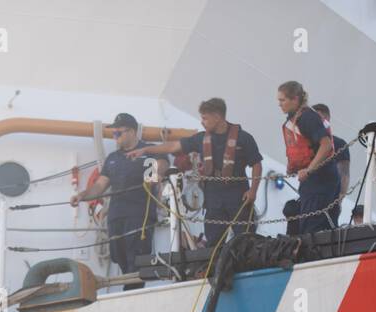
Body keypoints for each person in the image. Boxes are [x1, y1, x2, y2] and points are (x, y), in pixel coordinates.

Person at [128, 98, 263, 249]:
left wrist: (253, 191)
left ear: (217, 117)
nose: (201, 122)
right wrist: (146, 150)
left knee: (245, 238)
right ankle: (216, 270)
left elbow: (256, 164)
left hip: (238, 196)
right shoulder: (200, 139)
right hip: (213, 198)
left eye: (205, 118)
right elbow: (173, 146)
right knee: (214, 240)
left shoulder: (244, 138)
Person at [71, 113, 167, 288]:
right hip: (116, 216)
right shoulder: (113, 158)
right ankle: (129, 288)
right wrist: (82, 196)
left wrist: (155, 175)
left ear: (131, 132)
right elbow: (100, 186)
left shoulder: (148, 151)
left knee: (136, 259)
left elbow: (161, 165)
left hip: (139, 216)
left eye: (118, 133)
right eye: (113, 134)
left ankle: (131, 293)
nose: (115, 137)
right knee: (118, 256)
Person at [278, 80, 338, 235]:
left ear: (295, 99)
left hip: (320, 180)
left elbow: (326, 145)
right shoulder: (294, 120)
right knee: (306, 223)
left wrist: (309, 170)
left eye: (282, 100)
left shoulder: (308, 118)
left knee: (313, 225)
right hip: (310, 181)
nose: (280, 104)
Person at [312, 104, 351, 226]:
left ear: (327, 119)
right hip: (310, 198)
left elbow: (344, 174)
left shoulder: (339, 143)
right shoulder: (306, 145)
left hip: (329, 198)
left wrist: (338, 200)